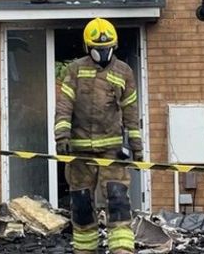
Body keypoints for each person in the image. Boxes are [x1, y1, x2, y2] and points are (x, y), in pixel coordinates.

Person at [54, 17, 142, 254]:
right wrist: (61, 136)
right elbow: (64, 105)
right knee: (81, 203)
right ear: (87, 47)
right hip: (80, 151)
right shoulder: (75, 70)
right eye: (97, 49)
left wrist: (137, 147)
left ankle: (122, 249)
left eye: (106, 48)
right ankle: (85, 249)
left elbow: (131, 112)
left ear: (114, 46)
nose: (102, 53)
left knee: (118, 199)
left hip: (112, 151)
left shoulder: (124, 72)